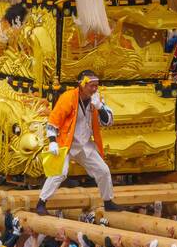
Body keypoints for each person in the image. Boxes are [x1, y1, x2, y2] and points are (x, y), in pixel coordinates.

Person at [35, 69, 119, 213]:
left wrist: (99, 107)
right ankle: (41, 202)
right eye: (91, 85)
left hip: (85, 143)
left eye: (96, 85)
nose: (94, 89)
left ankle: (108, 201)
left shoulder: (96, 99)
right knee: (60, 173)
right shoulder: (68, 98)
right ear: (81, 85)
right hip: (66, 143)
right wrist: (53, 141)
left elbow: (108, 122)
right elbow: (53, 122)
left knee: (103, 170)